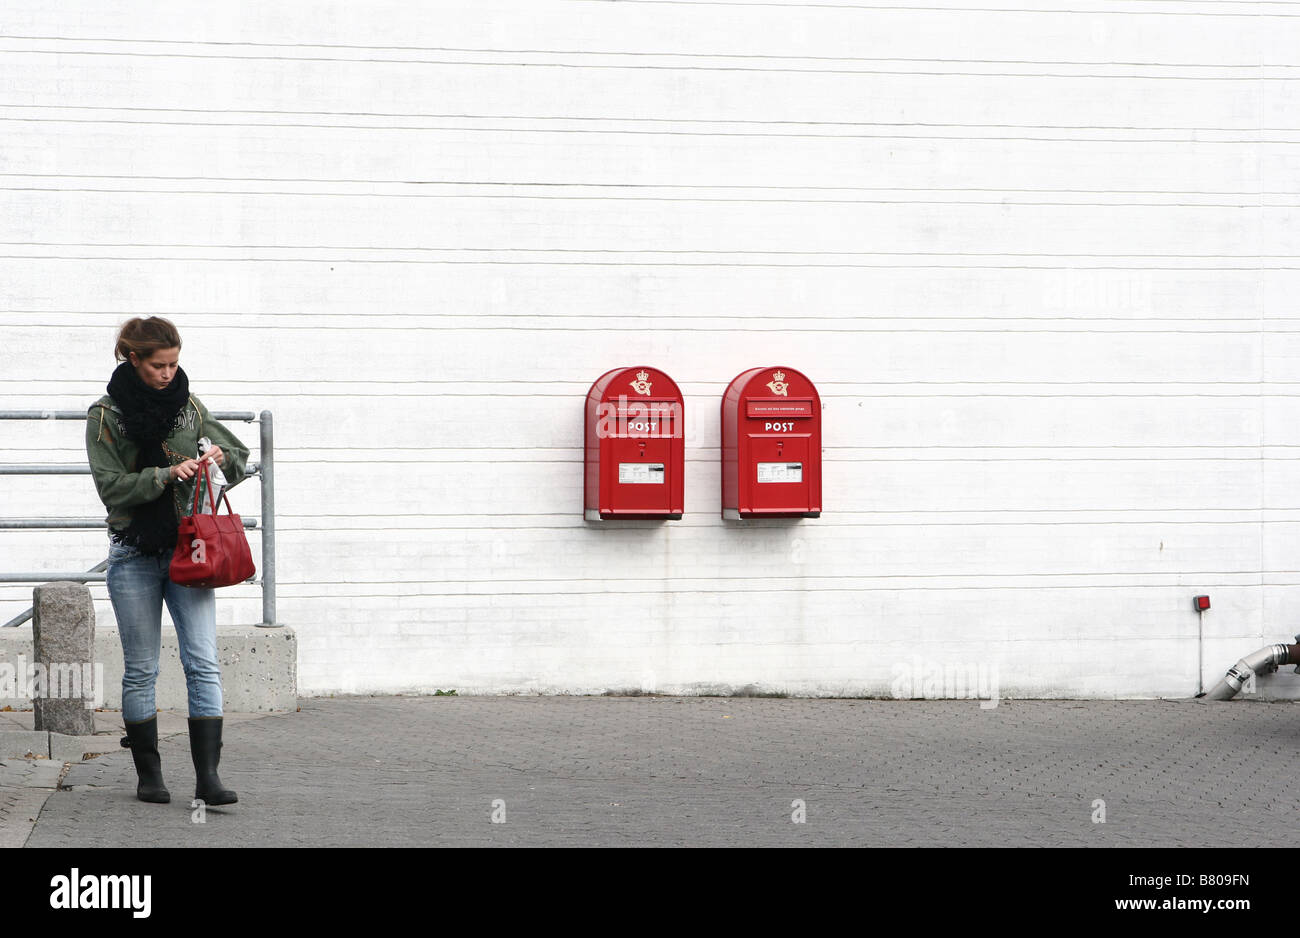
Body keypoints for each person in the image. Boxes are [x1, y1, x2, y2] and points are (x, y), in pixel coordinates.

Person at [85, 316, 250, 806]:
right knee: (141, 668)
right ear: (132, 359)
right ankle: (149, 777)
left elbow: (238, 457)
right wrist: (162, 475)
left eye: (174, 363)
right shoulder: (105, 415)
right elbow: (109, 486)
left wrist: (221, 459)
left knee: (203, 661)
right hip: (134, 552)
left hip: (190, 549)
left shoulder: (188, 406)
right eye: (158, 365)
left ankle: (209, 779)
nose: (167, 373)